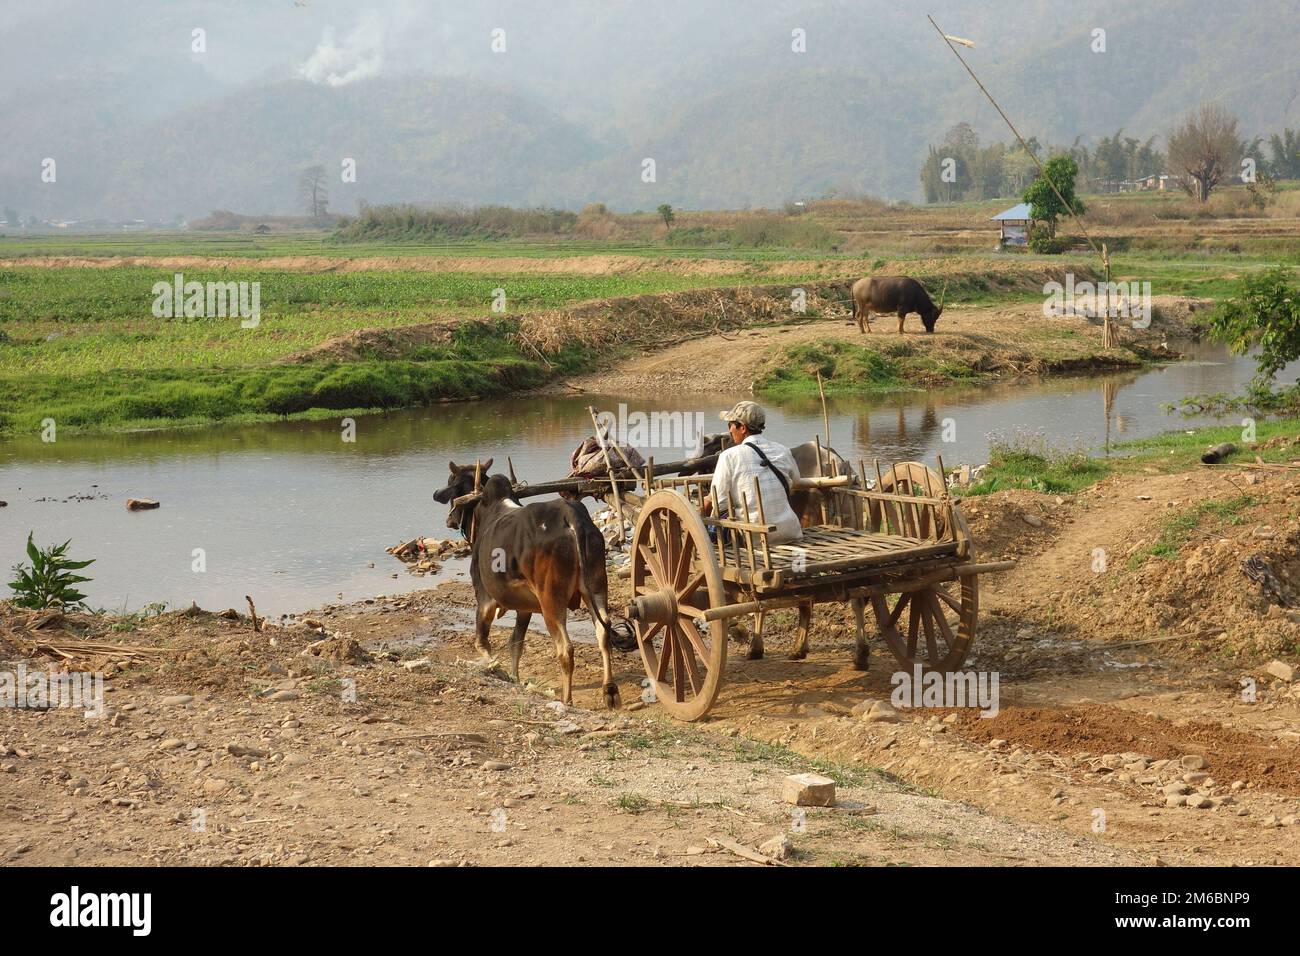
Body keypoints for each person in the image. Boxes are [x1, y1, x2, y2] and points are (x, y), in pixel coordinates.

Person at [701, 401, 803, 544]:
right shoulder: (782, 450)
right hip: (790, 532)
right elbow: (796, 481)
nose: (729, 430)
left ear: (742, 428)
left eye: (730, 425)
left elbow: (718, 502)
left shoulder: (729, 455)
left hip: (753, 537)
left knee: (712, 518)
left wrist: (704, 509)